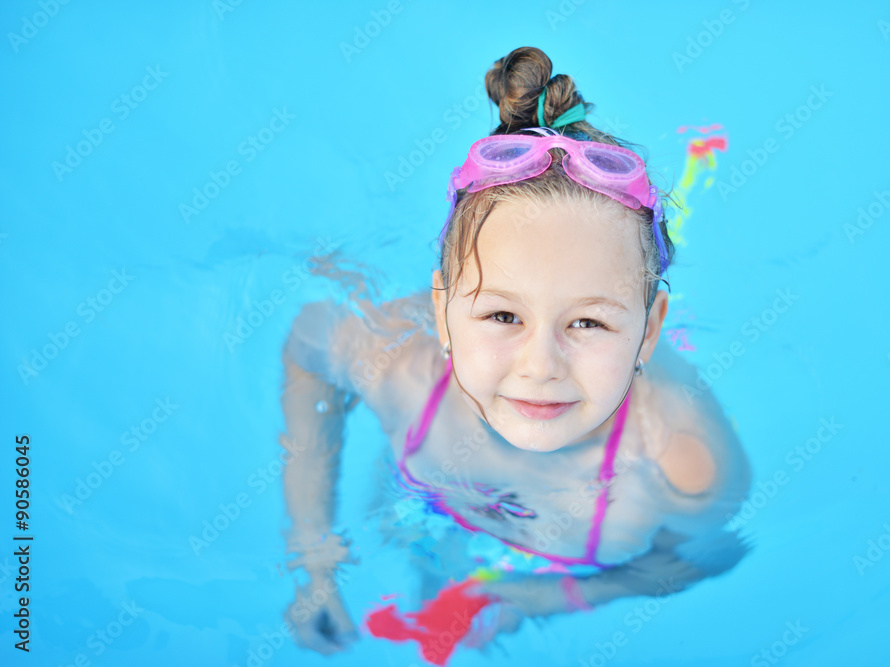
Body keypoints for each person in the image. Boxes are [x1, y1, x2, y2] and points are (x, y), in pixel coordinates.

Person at [279, 46, 751, 656]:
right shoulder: (404, 373)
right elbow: (310, 340)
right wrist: (314, 554)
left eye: (586, 323)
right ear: (444, 314)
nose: (540, 367)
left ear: (650, 332)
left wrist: (545, 599)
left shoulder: (686, 470)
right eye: (502, 315)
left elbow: (696, 560)